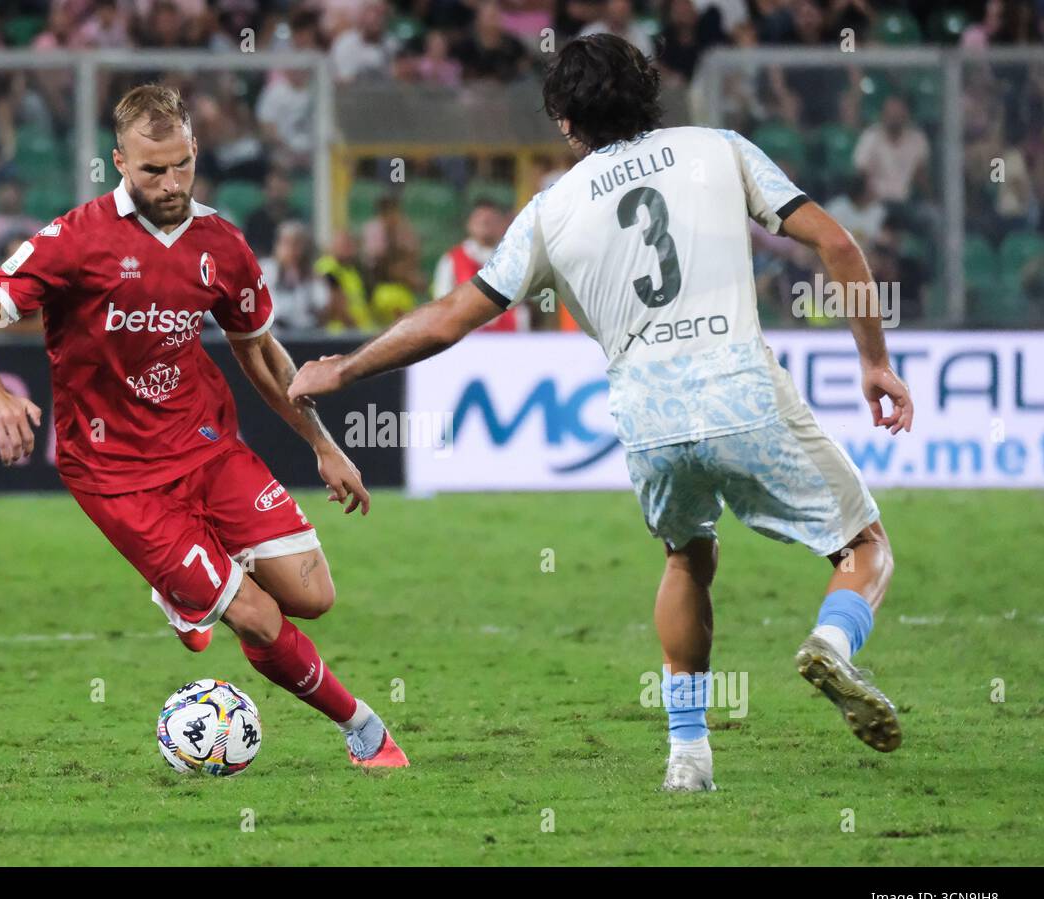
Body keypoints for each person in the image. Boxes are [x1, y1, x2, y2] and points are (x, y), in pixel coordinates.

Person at [290, 35, 914, 791]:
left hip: (647, 412)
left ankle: (688, 757)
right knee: (863, 546)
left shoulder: (551, 209)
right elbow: (839, 245)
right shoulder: (717, 148)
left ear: (562, 119)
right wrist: (874, 360)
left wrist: (347, 367)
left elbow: (454, 316)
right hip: (738, 387)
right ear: (651, 88)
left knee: (688, 556)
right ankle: (832, 645)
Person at [0, 85, 406, 769]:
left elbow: (262, 353)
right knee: (255, 614)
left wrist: (323, 446)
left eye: (182, 164)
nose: (170, 182)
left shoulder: (222, 243)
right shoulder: (75, 241)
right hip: (117, 476)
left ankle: (187, 589)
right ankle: (363, 728)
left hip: (207, 445)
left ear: (195, 152)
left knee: (312, 596)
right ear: (119, 162)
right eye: (152, 170)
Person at [431, 199, 530, 332]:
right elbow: (441, 303)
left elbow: (528, 305)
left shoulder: (516, 259)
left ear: (503, 224)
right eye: (480, 221)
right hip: (466, 337)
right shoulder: (452, 260)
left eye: (490, 221)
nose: (485, 225)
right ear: (469, 224)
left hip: (510, 338)